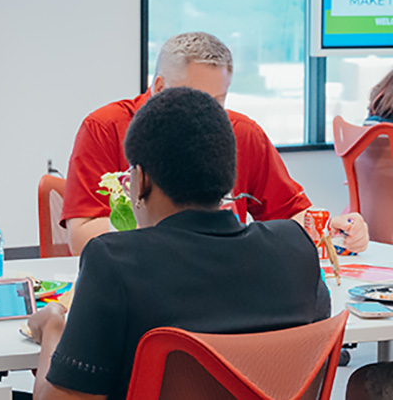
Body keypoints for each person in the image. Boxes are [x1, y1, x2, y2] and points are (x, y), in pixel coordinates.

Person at [28, 87, 331, 400]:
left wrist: (52, 327)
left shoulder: (114, 261)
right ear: (229, 175)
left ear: (140, 180)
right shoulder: (295, 248)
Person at [62, 31, 369, 255]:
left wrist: (335, 230)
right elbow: (83, 238)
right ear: (159, 87)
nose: (206, 117)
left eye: (217, 102)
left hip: (220, 283)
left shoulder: (242, 133)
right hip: (137, 280)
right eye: (193, 100)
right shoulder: (105, 129)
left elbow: (291, 215)